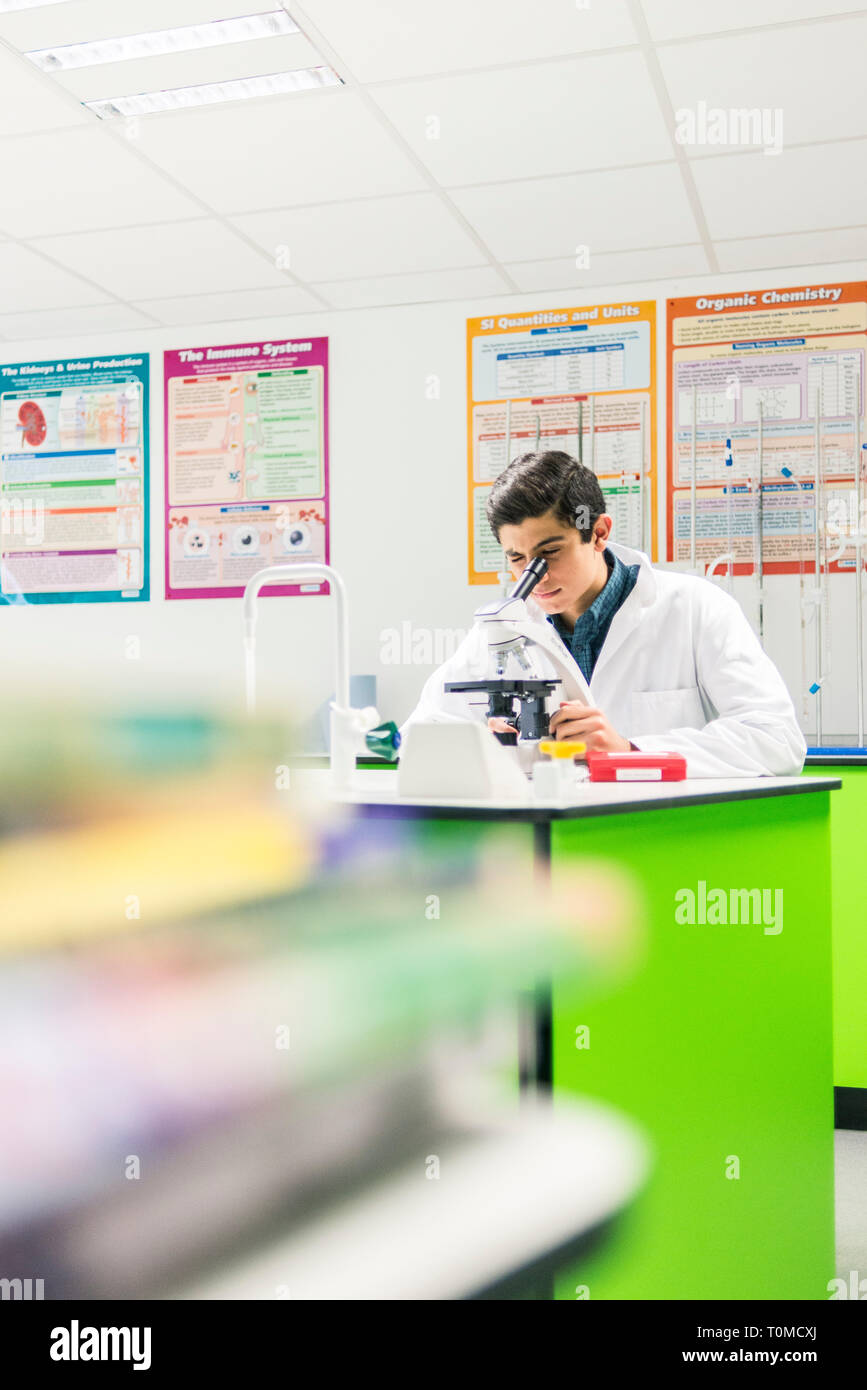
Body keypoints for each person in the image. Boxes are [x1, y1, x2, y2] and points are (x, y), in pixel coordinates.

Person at [400, 451, 806, 778]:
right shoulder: (504, 629)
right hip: (551, 848)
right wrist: (484, 743)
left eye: (549, 554)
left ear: (598, 533)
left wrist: (629, 751)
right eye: (517, 559)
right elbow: (420, 735)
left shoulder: (696, 608)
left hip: (661, 843)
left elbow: (777, 740)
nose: (533, 578)